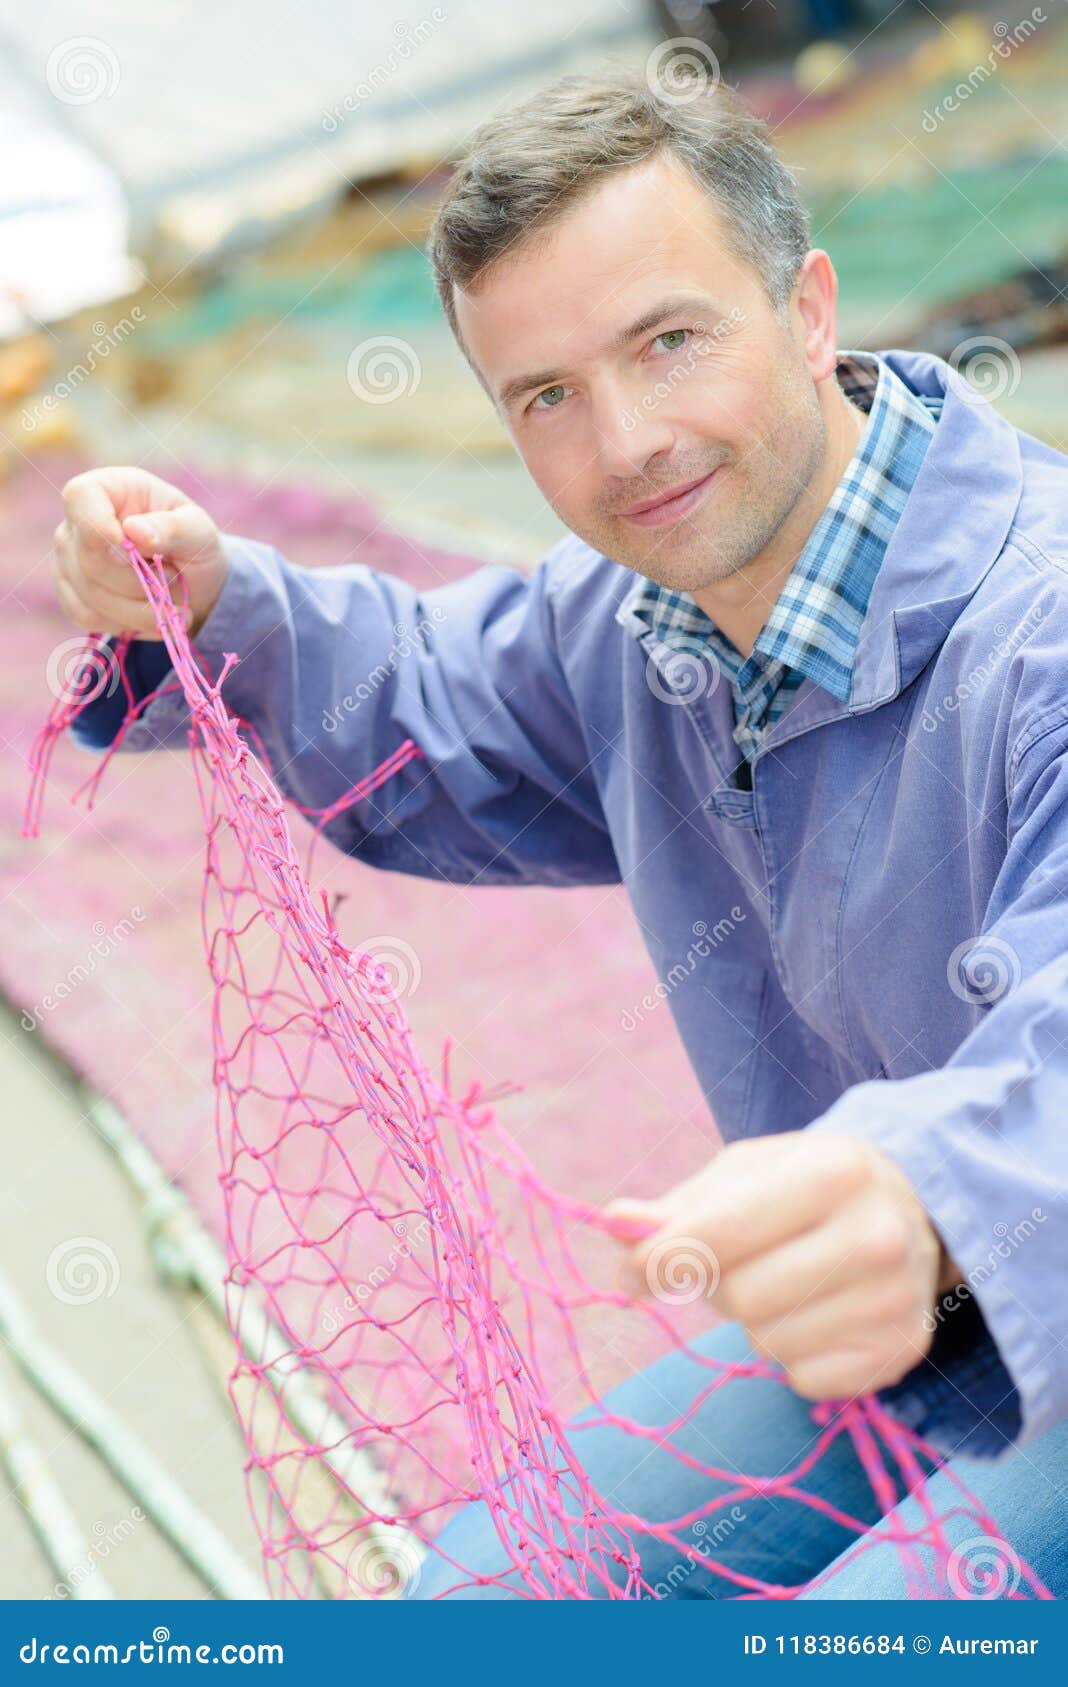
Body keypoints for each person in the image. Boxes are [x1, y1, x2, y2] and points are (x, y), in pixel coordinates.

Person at [52, 69, 1068, 1598]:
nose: (629, 441)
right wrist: (213, 602)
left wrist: (937, 1193)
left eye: (670, 341)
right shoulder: (634, 624)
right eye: (548, 395)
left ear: (806, 311)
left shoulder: (1039, 635)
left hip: (1002, 1255)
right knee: (480, 1610)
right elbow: (420, 693)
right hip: (888, 1311)